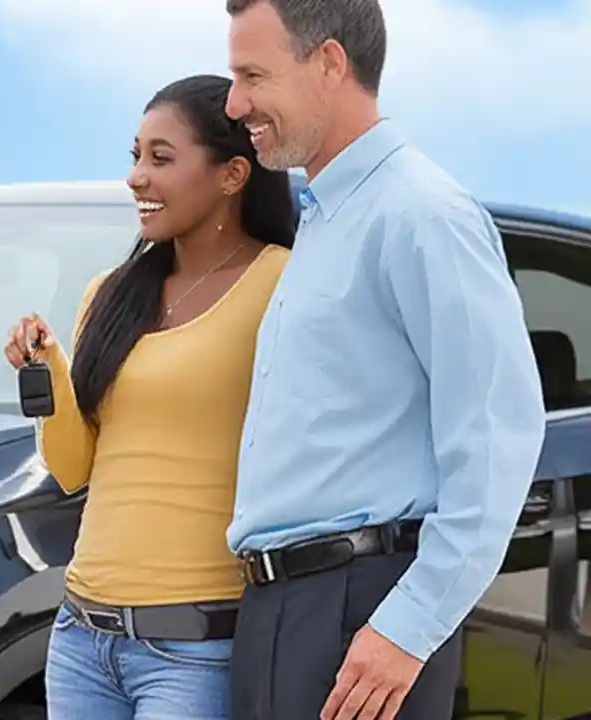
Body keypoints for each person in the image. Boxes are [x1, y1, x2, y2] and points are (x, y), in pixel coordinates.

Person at [221, 1, 547, 718]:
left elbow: (497, 438)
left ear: (330, 63)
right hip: (284, 608)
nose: (234, 102)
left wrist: (407, 627)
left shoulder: (421, 215)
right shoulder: (329, 219)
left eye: (252, 75)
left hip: (358, 612)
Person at [3, 74, 296, 720]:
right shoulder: (110, 293)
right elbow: (76, 468)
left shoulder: (282, 280)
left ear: (232, 175)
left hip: (195, 651)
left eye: (160, 158)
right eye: (134, 156)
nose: (137, 176)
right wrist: (50, 368)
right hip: (82, 639)